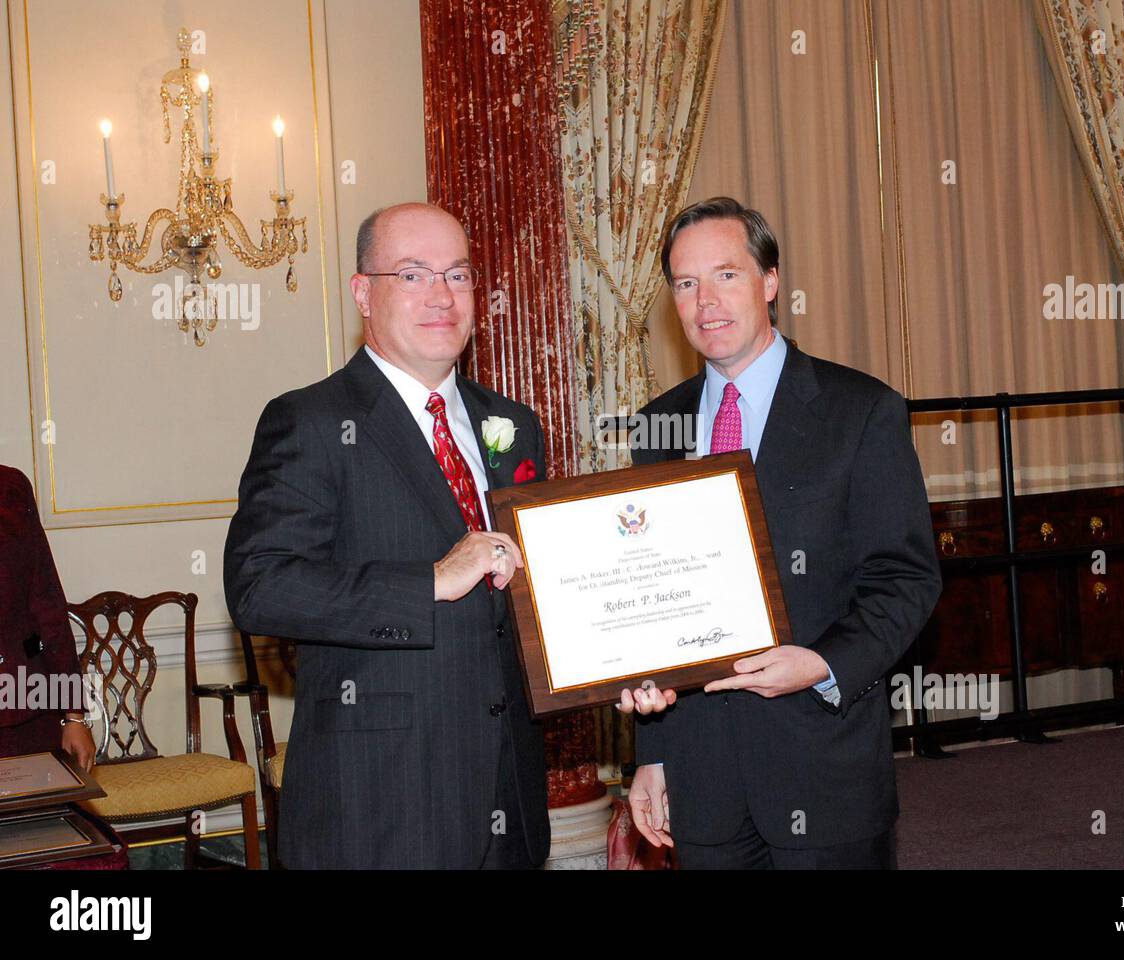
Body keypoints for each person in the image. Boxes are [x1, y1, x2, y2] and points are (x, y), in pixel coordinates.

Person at [618, 197, 942, 869]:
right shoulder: (655, 428)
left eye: (726, 275)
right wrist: (652, 756)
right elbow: (650, 604)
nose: (706, 300)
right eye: (685, 283)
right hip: (702, 782)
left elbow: (906, 579)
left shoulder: (861, 411)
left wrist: (821, 664)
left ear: (770, 282)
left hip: (823, 768)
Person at [224, 203, 548, 869]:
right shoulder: (310, 422)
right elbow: (261, 587)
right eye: (413, 274)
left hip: (506, 800)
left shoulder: (513, 424)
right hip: (381, 805)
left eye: (457, 275)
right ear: (362, 292)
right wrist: (430, 581)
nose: (441, 295)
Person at [0, 465, 95, 770]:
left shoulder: (9, 487)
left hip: (26, 707)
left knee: (43, 815)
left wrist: (74, 715)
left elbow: (47, 604)